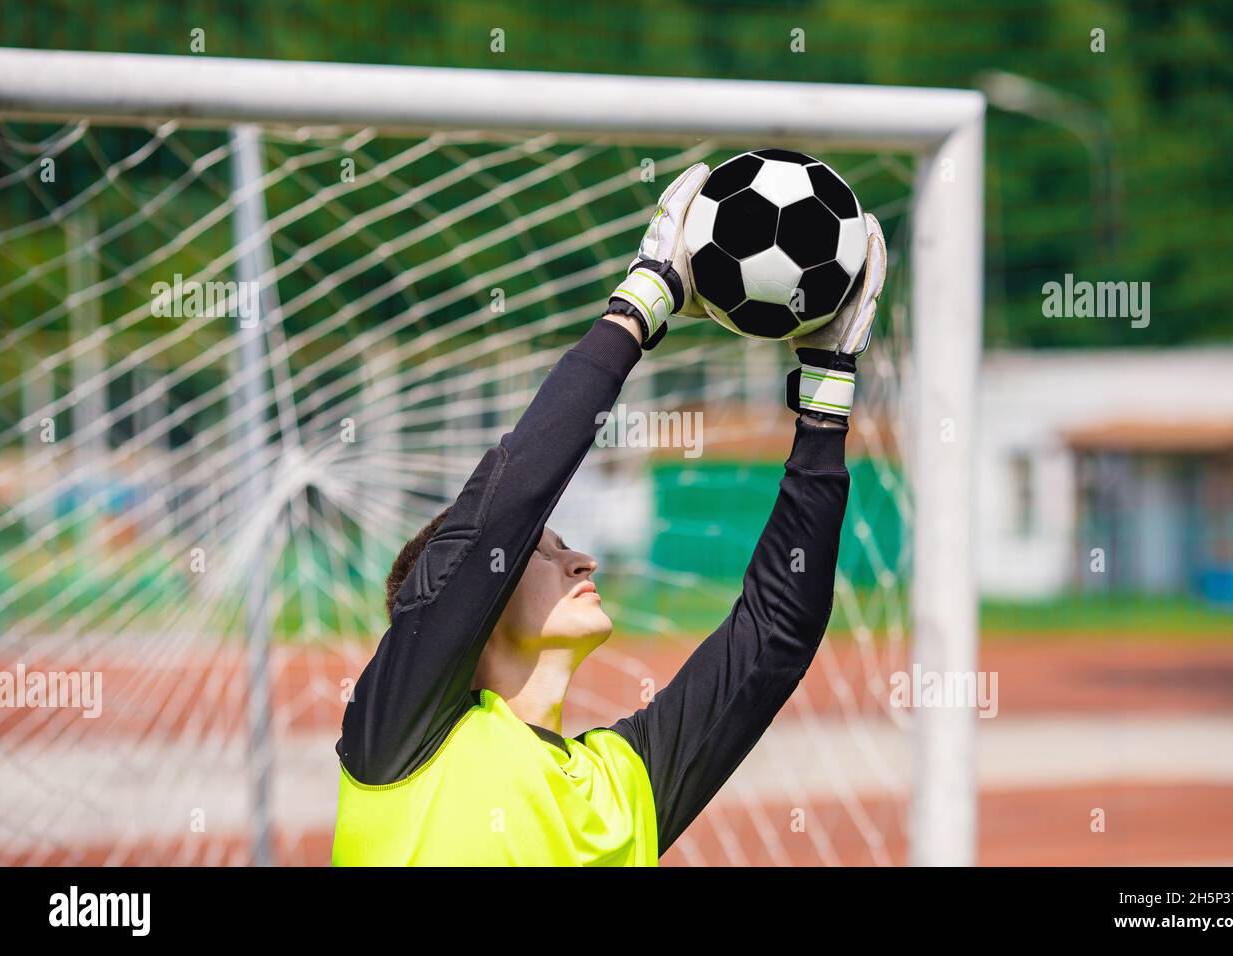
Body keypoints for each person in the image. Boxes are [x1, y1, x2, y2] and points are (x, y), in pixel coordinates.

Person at [331, 163, 887, 866]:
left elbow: (775, 635)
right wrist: (643, 298)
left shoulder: (621, 787)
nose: (581, 560)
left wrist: (827, 389)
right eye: (544, 551)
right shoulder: (402, 734)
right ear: (479, 597)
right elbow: (511, 499)